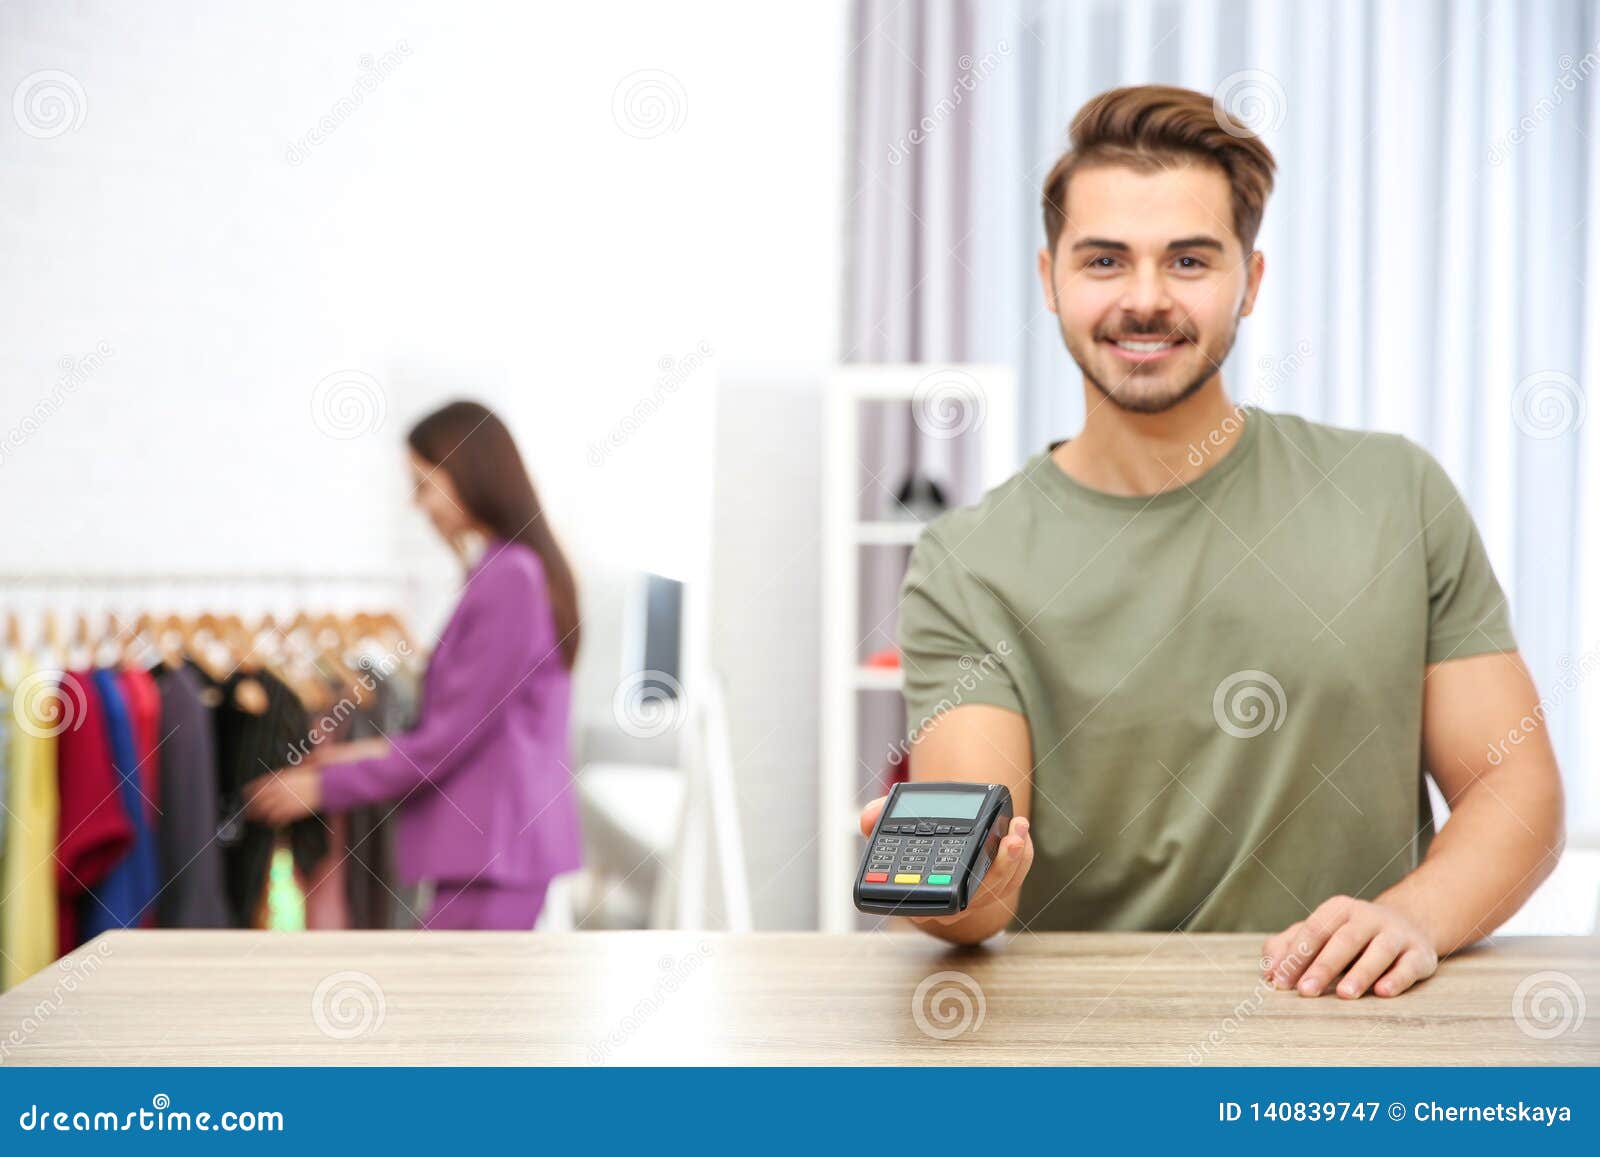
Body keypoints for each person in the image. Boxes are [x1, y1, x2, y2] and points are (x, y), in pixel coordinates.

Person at [862, 84, 1565, 999]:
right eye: (1105, 260)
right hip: (1091, 1058)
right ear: (1050, 280)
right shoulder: (969, 559)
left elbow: (1519, 795)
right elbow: (985, 879)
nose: (1145, 299)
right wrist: (963, 892)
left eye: (1189, 260)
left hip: (1356, 1029)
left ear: (1251, 280)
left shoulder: (1397, 494)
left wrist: (1415, 916)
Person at [246, 400, 583, 930]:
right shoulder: (504, 571)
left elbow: (446, 739)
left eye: (425, 485)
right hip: (490, 847)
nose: (418, 504)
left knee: (459, 1008)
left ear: (470, 476)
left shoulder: (509, 578)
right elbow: (469, 727)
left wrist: (321, 787)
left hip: (496, 848)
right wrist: (349, 757)